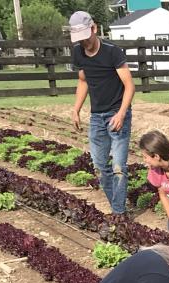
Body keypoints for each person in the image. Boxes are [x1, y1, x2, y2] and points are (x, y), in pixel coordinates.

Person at [69, 10, 135, 216]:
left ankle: (118, 213)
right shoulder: (77, 52)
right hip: (97, 116)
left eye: (85, 37)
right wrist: (76, 109)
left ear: (94, 29)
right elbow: (83, 80)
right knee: (99, 166)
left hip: (117, 113)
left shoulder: (112, 52)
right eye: (79, 38)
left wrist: (122, 114)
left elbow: (130, 86)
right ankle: (117, 207)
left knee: (118, 166)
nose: (83, 42)